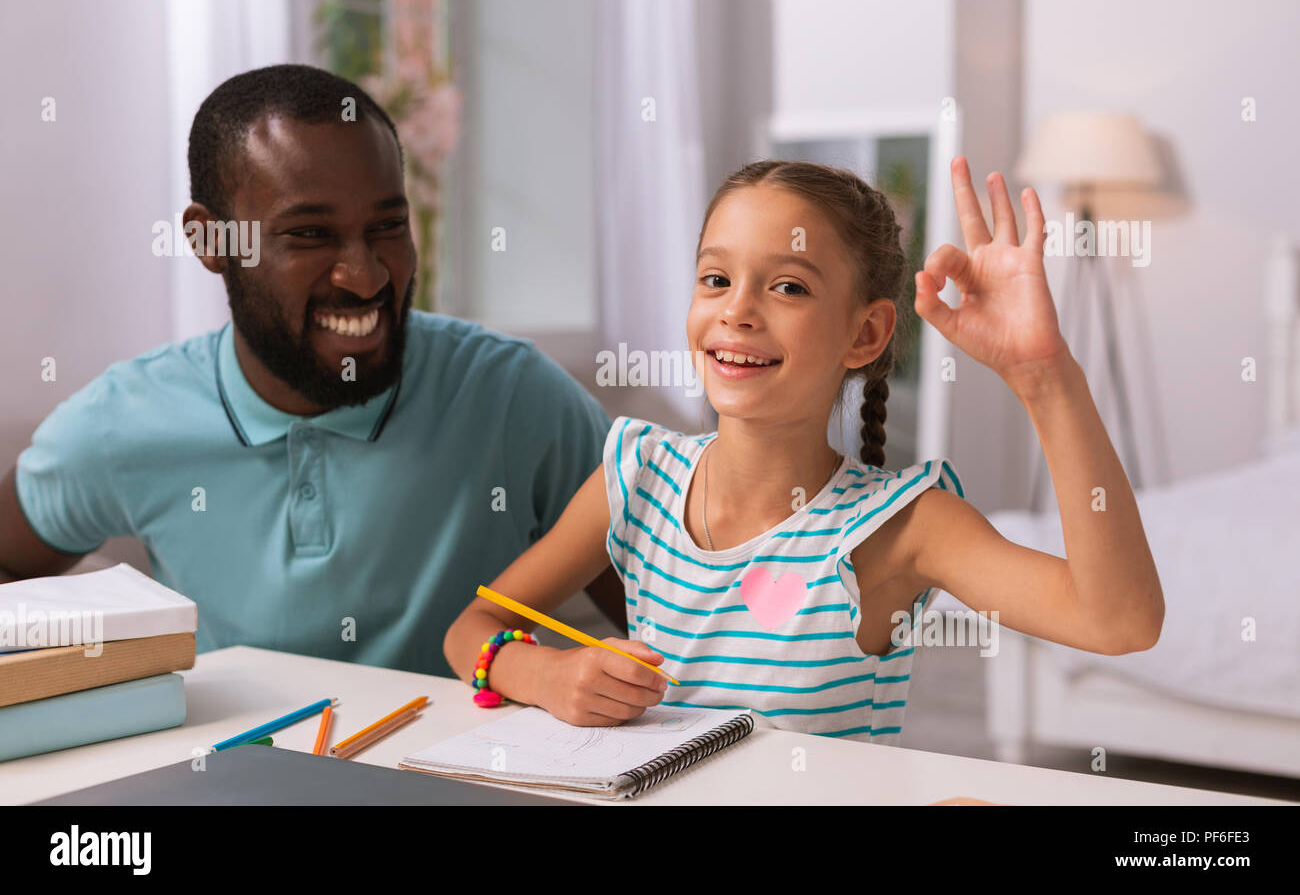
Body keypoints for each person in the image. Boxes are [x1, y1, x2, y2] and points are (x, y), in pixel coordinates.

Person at [445, 156, 1165, 744]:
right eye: (716, 279)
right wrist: (549, 678)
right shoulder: (637, 476)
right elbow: (470, 628)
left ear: (866, 335)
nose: (737, 309)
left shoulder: (902, 528)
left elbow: (1120, 621)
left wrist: (1045, 377)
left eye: (787, 286)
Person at [0, 64, 621, 678]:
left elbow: (678, 622)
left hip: (465, 777)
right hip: (234, 773)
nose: (366, 275)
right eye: (310, 234)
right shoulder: (123, 422)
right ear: (211, 242)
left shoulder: (512, 396)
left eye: (386, 226)